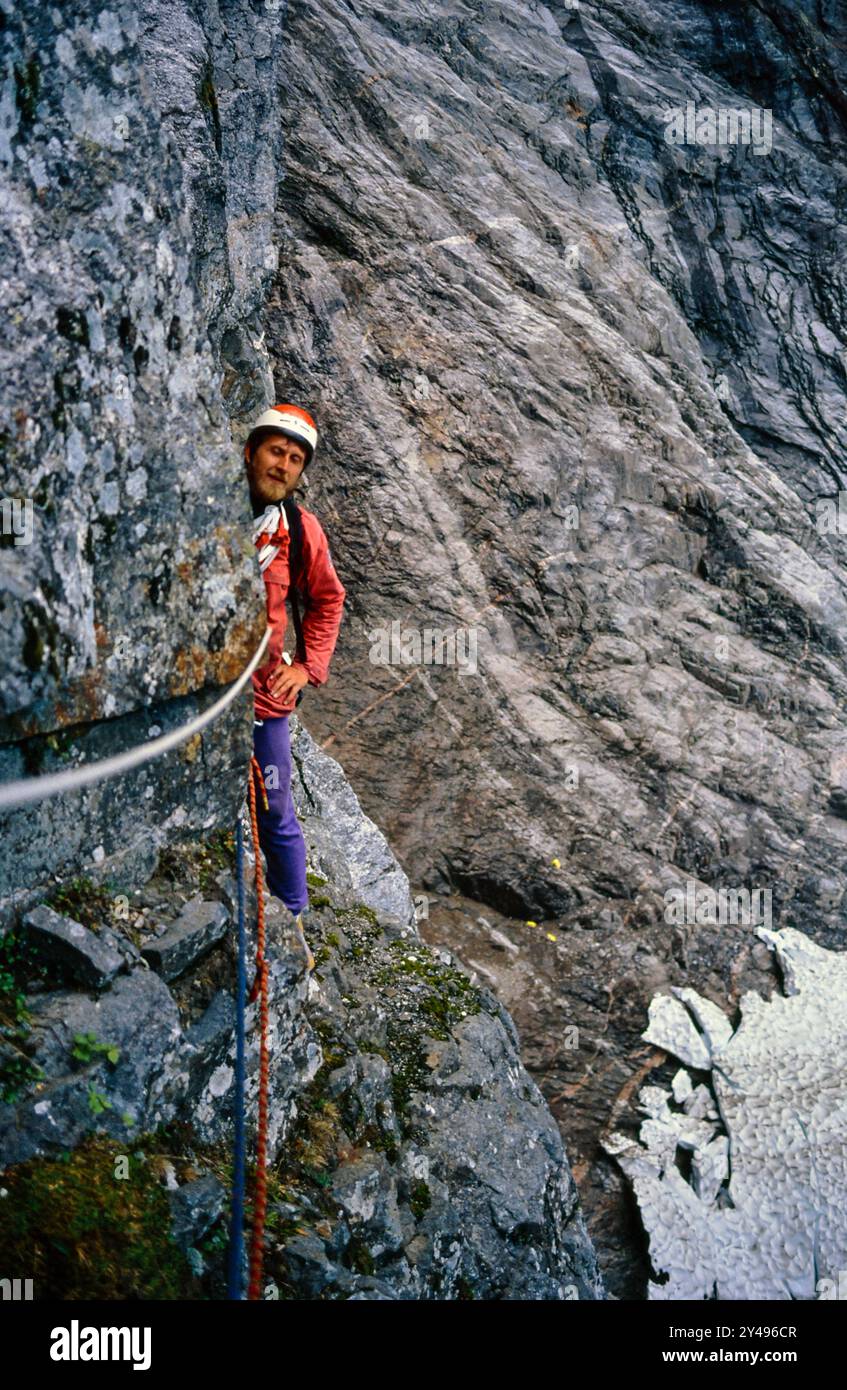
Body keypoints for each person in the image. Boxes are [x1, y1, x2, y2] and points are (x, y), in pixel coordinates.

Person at [243, 404, 346, 970]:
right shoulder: (207, 506)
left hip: (264, 700)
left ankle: (293, 917)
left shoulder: (300, 533)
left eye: (294, 458)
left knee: (276, 807)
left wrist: (306, 667)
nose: (282, 464)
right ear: (251, 452)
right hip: (210, 694)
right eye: (275, 450)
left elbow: (329, 599)